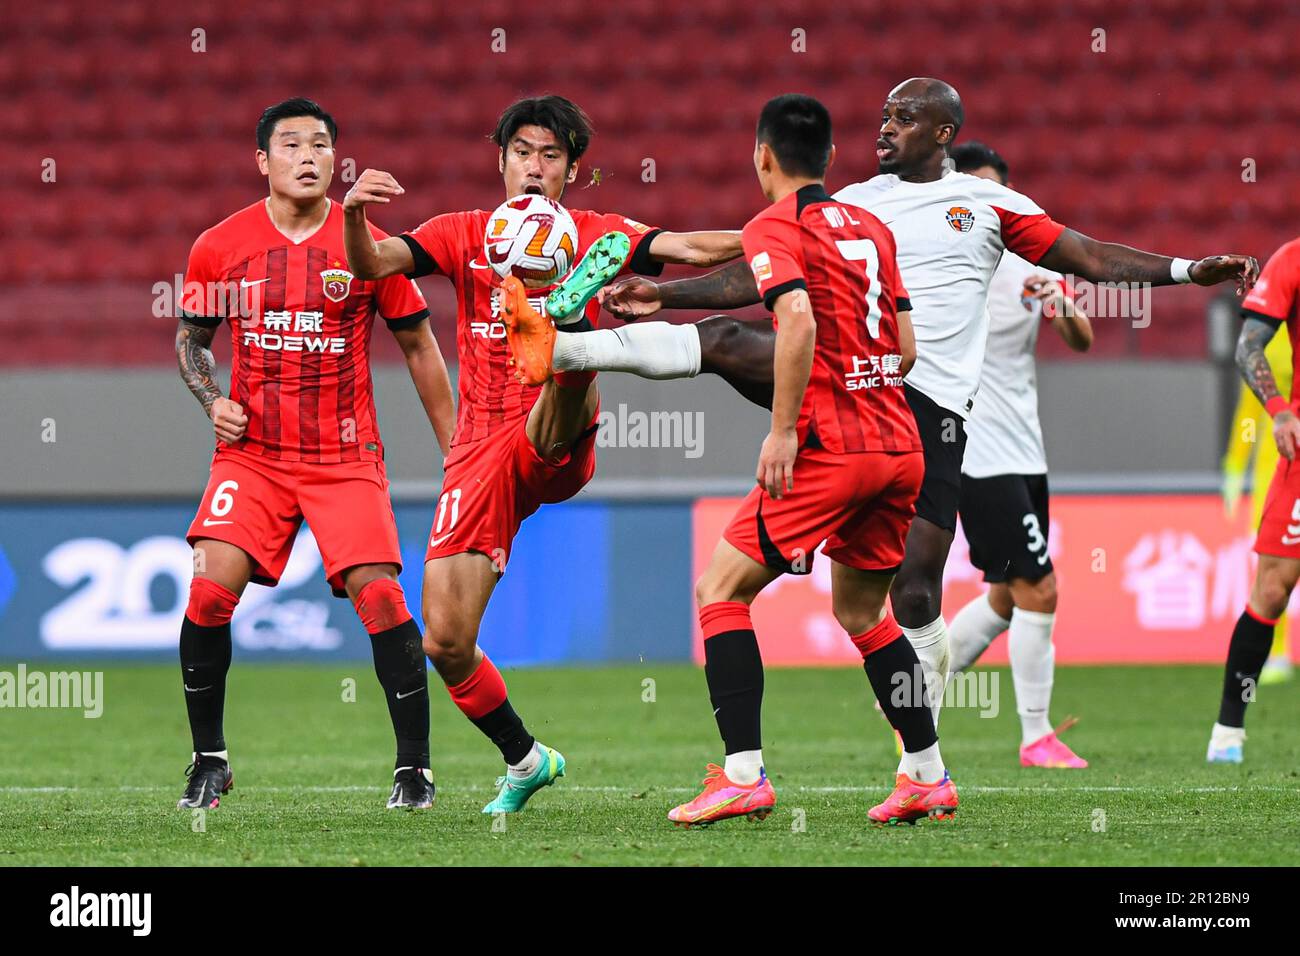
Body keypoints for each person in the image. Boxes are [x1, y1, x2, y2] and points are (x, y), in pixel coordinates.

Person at [550, 77, 1258, 740]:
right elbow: (766, 269)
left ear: (944, 132)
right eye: (884, 115)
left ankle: (920, 755)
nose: (885, 127)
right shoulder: (855, 202)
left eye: (904, 117)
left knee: (913, 594)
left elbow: (1089, 258)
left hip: (932, 409)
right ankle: (568, 351)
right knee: (731, 339)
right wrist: (666, 292)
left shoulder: (990, 206)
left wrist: (1186, 270)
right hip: (851, 378)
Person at [342, 95, 744, 812]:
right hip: (477, 452)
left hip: (553, 432)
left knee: (557, 382)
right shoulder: (460, 232)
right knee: (444, 640)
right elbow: (374, 260)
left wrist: (779, 235)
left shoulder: (599, 231)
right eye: (523, 152)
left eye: (551, 155)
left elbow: (693, 246)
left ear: (572, 170)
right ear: (500, 162)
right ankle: (526, 759)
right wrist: (351, 214)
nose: (535, 166)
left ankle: (562, 340)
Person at [175, 98, 456, 811]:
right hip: (254, 456)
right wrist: (212, 399)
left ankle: (414, 771)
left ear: (337, 160)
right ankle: (210, 761)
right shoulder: (220, 245)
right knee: (208, 592)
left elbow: (420, 346)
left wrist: (458, 450)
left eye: (322, 144)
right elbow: (191, 341)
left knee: (383, 597)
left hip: (342, 455)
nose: (309, 156)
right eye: (292, 144)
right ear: (263, 161)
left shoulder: (368, 246)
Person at [942, 142, 1094, 768]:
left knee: (1007, 595)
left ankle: (911, 697)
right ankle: (1036, 736)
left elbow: (1082, 339)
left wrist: (1061, 308)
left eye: (993, 191)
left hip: (1026, 449)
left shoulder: (1029, 267)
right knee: (1041, 587)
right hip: (978, 452)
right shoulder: (944, 273)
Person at [1208, 237, 1300, 762]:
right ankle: (1228, 730)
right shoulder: (1291, 263)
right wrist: (1279, 412)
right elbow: (1249, 351)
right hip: (1292, 450)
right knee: (1272, 587)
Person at [1220, 321, 1294, 685]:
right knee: (1273, 565)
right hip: (1278, 466)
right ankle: (1277, 650)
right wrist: (1234, 467)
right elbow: (1250, 411)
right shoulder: (1269, 341)